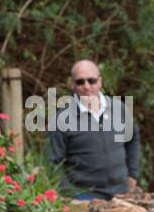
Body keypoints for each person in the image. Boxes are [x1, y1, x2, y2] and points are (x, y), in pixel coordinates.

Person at [46, 59, 140, 200]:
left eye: (92, 80)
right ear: (72, 84)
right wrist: (69, 194)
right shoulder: (61, 120)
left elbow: (133, 139)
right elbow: (52, 162)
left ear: (100, 81)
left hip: (122, 194)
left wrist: (133, 173)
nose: (86, 86)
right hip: (85, 197)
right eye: (80, 82)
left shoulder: (118, 109)